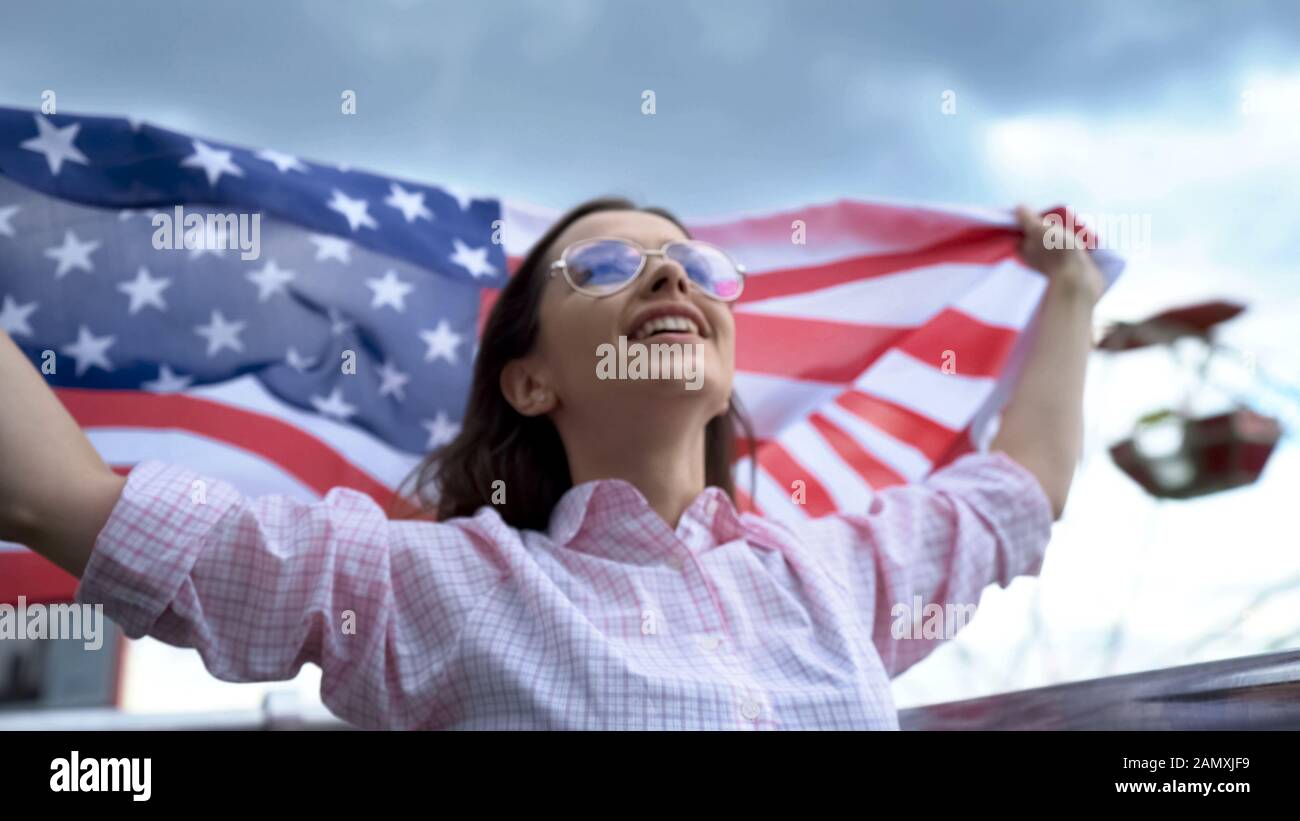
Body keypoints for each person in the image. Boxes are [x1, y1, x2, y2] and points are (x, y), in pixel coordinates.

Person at [0, 197, 1104, 729]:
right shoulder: (431, 586)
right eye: (614, 264)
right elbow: (52, 494)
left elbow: (1019, 490)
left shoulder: (833, 575)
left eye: (694, 266)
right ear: (530, 381)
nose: (672, 281)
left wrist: (1071, 292)